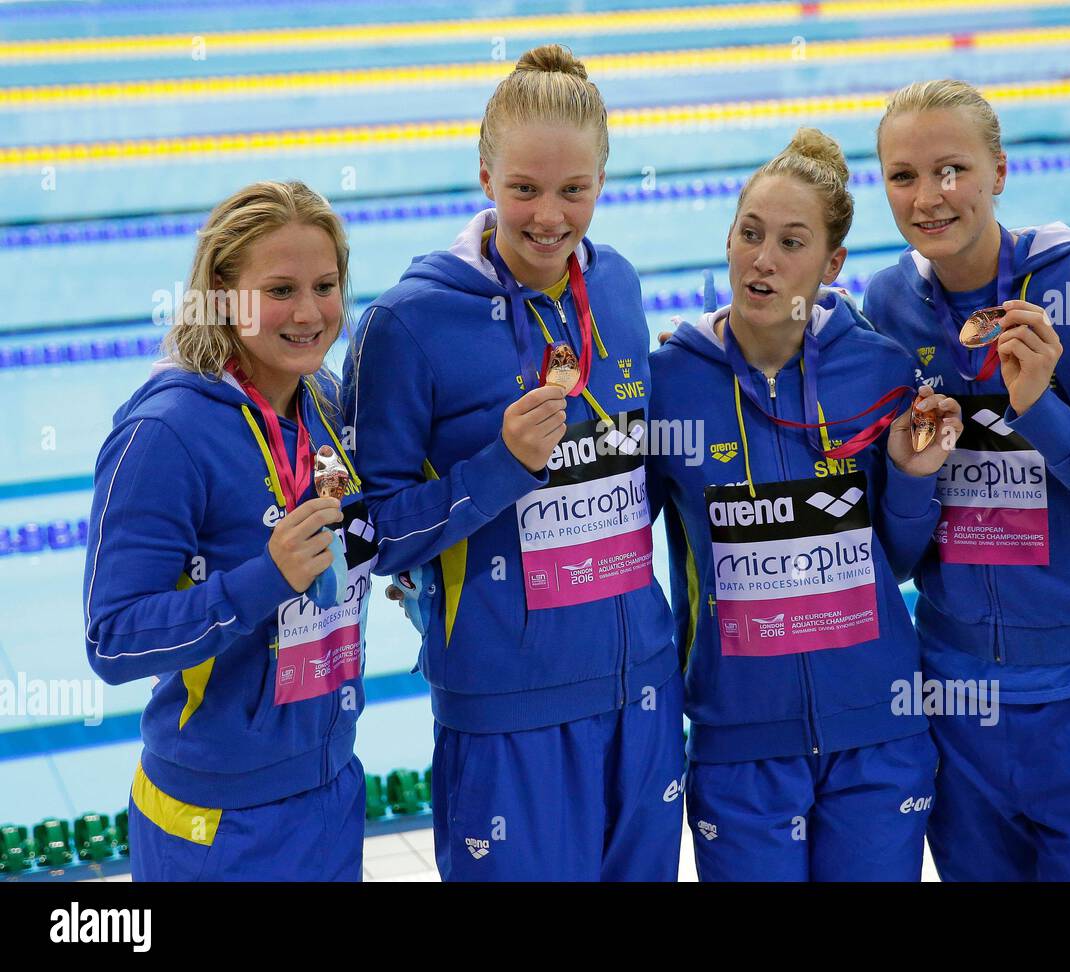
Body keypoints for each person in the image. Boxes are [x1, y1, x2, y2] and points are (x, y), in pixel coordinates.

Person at [344, 44, 683, 881]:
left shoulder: (621, 288)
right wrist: (500, 465)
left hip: (640, 687)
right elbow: (368, 535)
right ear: (485, 174)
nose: (549, 217)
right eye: (525, 189)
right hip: (506, 706)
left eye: (575, 191)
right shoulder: (409, 324)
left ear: (602, 182)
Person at [865, 79, 1070, 881]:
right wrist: (911, 474)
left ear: (998, 172)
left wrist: (1041, 410)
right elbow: (899, 554)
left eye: (952, 169)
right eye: (903, 176)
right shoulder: (889, 309)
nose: (929, 196)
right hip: (961, 700)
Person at [649, 128, 962, 881]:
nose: (764, 258)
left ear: (830, 265)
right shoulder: (670, 384)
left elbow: (899, 558)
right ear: (727, 241)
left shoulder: (878, 369)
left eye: (792, 242)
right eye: (750, 234)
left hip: (879, 736)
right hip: (741, 742)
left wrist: (914, 477)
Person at [83, 180, 376, 881]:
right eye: (280, 290)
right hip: (216, 823)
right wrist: (263, 581)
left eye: (325, 285)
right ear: (223, 295)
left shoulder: (325, 402)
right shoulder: (164, 435)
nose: (309, 313)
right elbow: (113, 640)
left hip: (331, 787)